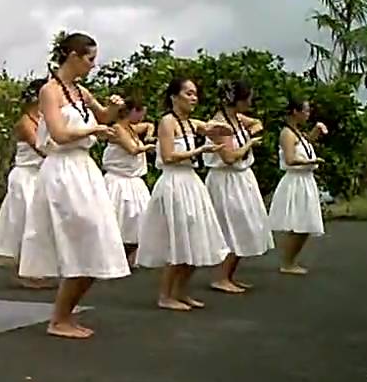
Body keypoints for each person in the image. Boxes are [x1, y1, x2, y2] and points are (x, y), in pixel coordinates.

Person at [18, 33, 130, 338]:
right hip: (62, 170)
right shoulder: (49, 91)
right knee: (80, 237)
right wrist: (93, 128)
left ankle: (64, 316)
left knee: (97, 237)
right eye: (90, 58)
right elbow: (58, 133)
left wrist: (112, 109)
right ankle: (59, 319)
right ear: (72, 56)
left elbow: (103, 116)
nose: (93, 65)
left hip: (84, 169)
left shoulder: (80, 92)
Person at [135, 78, 233, 311]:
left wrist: (221, 129)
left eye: (195, 94)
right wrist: (201, 150)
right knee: (178, 239)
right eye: (188, 93)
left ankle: (181, 292)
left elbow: (214, 127)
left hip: (190, 182)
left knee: (195, 236)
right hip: (174, 182)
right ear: (174, 97)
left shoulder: (190, 123)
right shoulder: (167, 122)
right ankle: (165, 295)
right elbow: (168, 156)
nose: (193, 98)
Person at [204, 80, 272, 292]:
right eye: (248, 98)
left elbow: (256, 123)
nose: (251, 102)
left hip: (241, 179)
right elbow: (229, 157)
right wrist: (250, 143)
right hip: (226, 180)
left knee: (246, 225)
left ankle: (229, 276)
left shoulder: (237, 118)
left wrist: (252, 130)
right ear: (238, 100)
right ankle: (221, 277)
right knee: (232, 226)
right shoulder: (219, 124)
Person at [0, 79, 50, 288]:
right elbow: (40, 147)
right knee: (26, 222)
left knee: (39, 223)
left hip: (40, 175)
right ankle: (25, 272)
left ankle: (36, 269)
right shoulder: (25, 122)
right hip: (25, 177)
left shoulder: (45, 118)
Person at [268, 96, 328, 275]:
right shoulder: (287, 133)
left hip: (305, 180)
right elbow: (290, 158)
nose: (308, 114)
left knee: (305, 224)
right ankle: (287, 262)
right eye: (306, 111)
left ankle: (290, 261)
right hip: (296, 180)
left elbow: (307, 143)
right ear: (295, 112)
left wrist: (317, 130)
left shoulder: (297, 132)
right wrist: (312, 161)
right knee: (299, 224)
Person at [101, 98, 154, 267]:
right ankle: (112, 258)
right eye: (140, 114)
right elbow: (132, 149)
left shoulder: (130, 128)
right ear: (132, 112)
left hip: (132, 181)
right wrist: (147, 146)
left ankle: (128, 258)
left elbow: (149, 125)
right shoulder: (117, 129)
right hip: (118, 181)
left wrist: (150, 134)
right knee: (118, 220)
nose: (141, 118)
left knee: (140, 219)